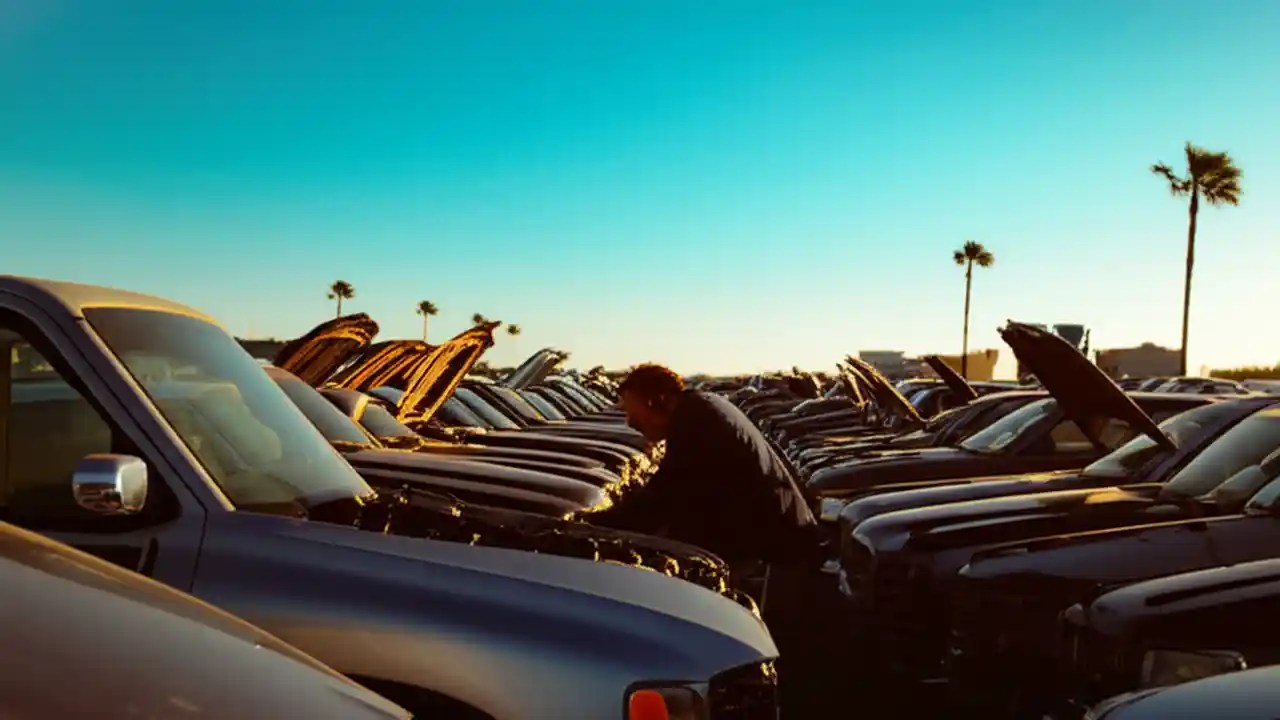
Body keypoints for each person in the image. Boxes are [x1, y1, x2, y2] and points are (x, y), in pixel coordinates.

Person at [599, 363, 819, 586]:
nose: (630, 422)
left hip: (778, 549)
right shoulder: (701, 406)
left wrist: (600, 526)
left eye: (630, 411)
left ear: (656, 401)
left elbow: (664, 495)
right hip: (778, 535)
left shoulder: (696, 422)